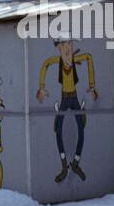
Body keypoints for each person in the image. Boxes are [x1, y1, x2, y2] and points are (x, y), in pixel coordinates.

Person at [36, 37, 97, 183]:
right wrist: (42, 87)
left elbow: (88, 57)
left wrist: (92, 85)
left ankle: (75, 164)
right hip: (64, 98)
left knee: (81, 130)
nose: (67, 47)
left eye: (69, 43)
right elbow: (45, 64)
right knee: (58, 130)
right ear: (59, 47)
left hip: (74, 97)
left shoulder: (75, 59)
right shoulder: (58, 61)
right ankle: (64, 167)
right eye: (64, 44)